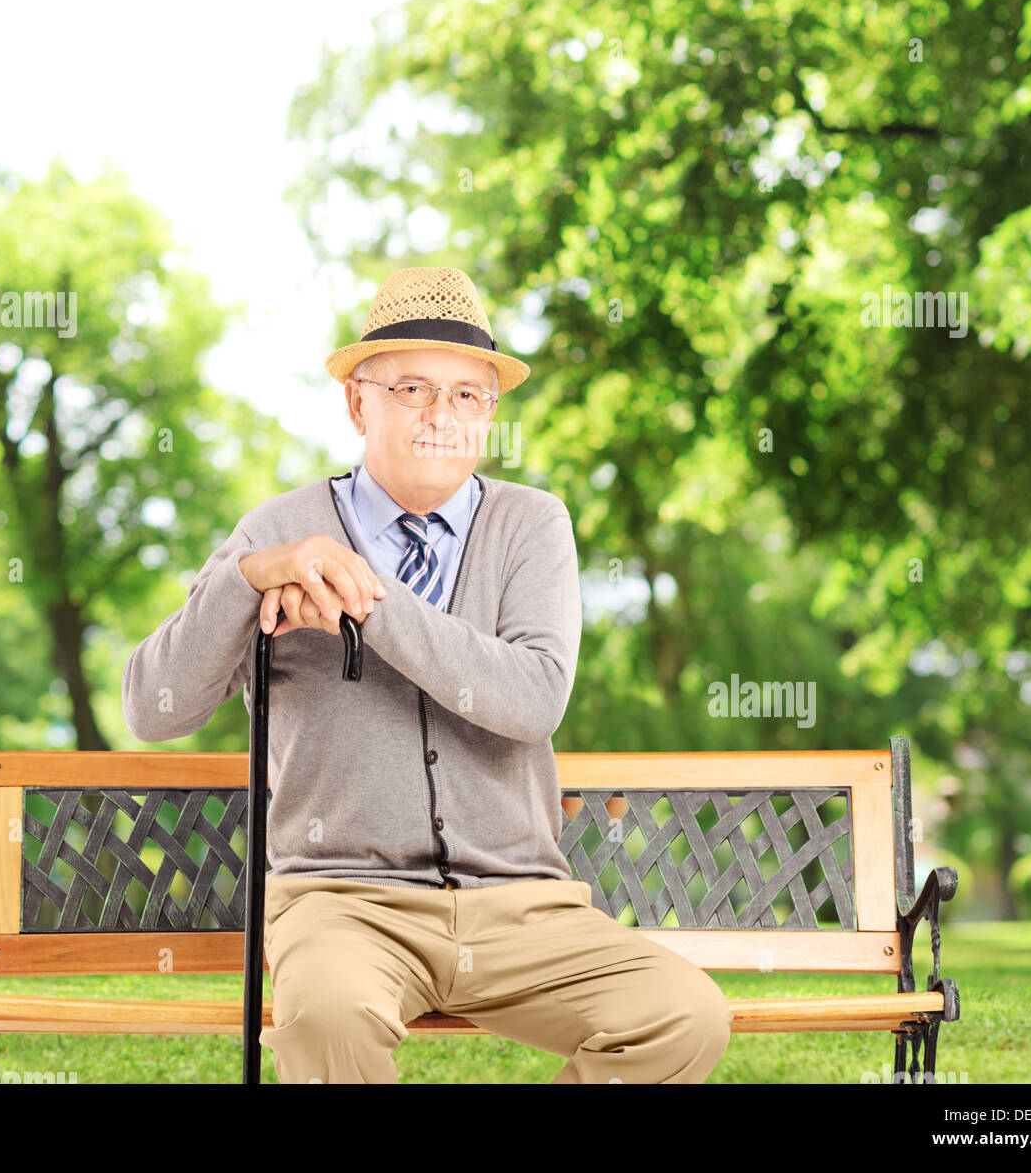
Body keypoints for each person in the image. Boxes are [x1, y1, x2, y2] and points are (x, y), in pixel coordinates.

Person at [122, 264, 732, 1083]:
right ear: (357, 403)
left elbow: (533, 697)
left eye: (467, 395)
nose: (441, 415)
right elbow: (151, 709)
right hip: (342, 904)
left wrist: (368, 602)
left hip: (523, 905)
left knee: (683, 1018)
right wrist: (243, 580)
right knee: (328, 1021)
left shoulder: (530, 525)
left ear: (489, 412)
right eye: (411, 388)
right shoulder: (278, 531)